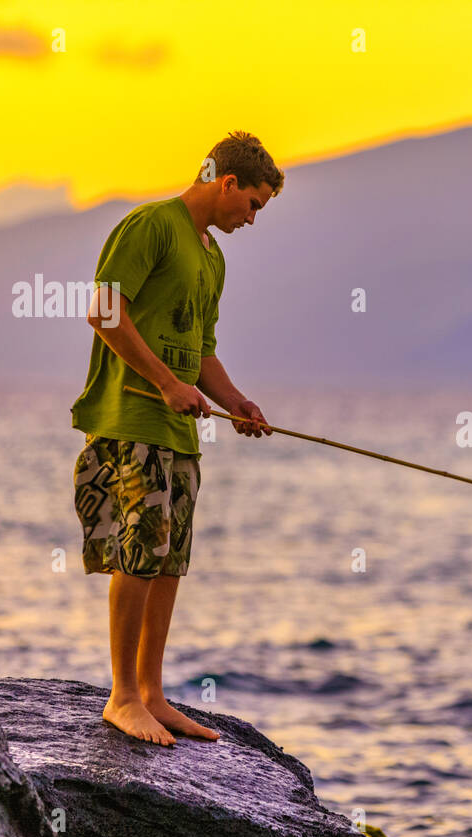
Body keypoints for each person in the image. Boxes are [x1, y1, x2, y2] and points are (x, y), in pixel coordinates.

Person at [70, 131, 281, 745]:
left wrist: (235, 402)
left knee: (169, 561)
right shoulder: (151, 225)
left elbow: (204, 351)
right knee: (136, 554)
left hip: (180, 437)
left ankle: (153, 693)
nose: (251, 219)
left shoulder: (213, 257)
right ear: (228, 183)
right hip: (130, 420)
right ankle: (122, 696)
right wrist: (165, 384)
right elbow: (105, 311)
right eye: (252, 206)